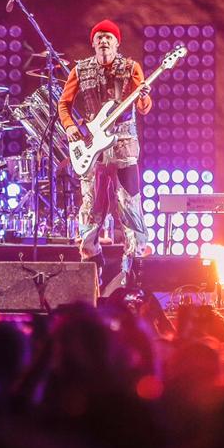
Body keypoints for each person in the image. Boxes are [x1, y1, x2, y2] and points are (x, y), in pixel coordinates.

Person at [57, 19, 151, 288]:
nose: (104, 40)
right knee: (90, 212)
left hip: (123, 148)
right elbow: (64, 103)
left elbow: (144, 108)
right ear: (93, 42)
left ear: (117, 42)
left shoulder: (131, 68)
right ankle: (93, 270)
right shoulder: (80, 70)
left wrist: (143, 95)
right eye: (99, 37)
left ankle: (133, 278)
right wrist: (70, 127)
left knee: (131, 211)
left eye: (109, 37)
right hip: (93, 151)